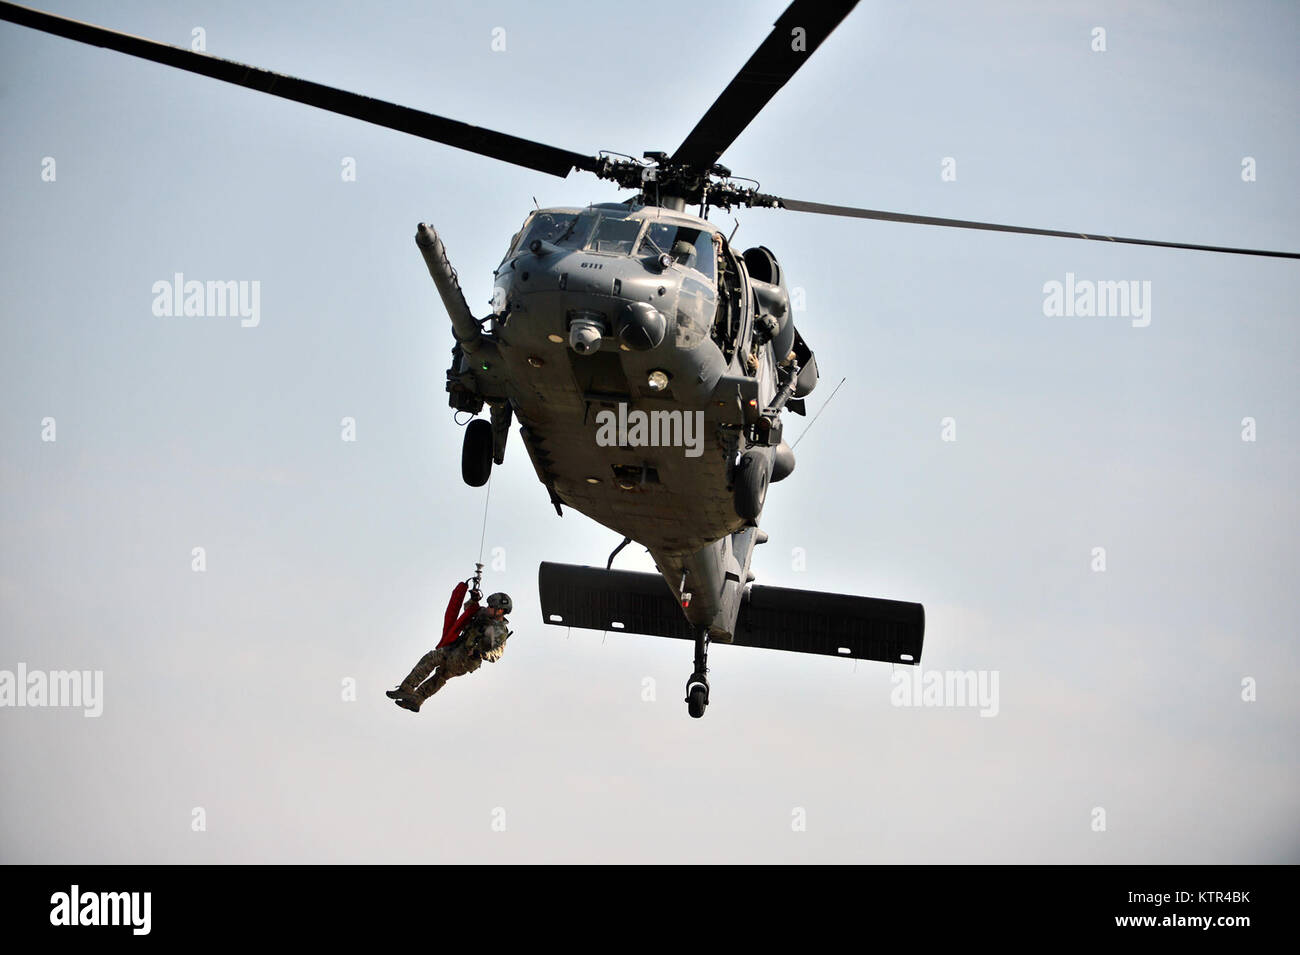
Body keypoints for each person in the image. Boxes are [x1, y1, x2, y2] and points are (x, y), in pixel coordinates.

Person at [386, 592, 512, 712]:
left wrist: (481, 654)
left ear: (500, 610)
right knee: (441, 675)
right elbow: (468, 610)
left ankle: (406, 689)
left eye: (491, 606)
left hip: (466, 659)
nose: (488, 608)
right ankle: (415, 700)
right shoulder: (484, 613)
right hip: (458, 648)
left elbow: (497, 653)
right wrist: (473, 599)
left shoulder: (500, 631)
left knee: (432, 658)